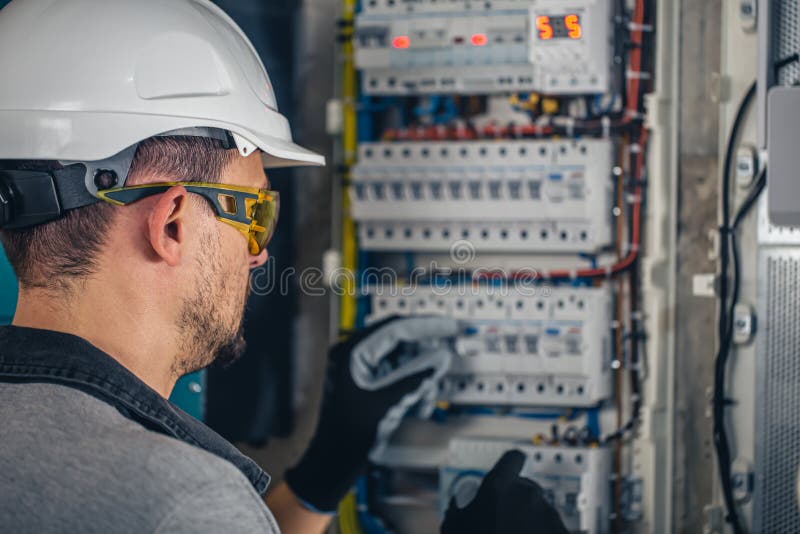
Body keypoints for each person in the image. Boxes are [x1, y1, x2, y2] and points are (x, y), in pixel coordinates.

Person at [0, 1, 568, 532]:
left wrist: (326, 470)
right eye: (255, 213)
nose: (259, 253)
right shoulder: (181, 499)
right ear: (172, 223)